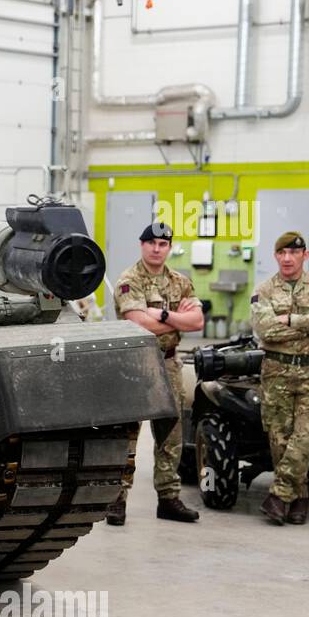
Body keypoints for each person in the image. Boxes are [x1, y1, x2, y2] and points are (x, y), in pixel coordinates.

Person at [107, 221, 204, 525]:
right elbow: (137, 323)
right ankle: (117, 500)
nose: (156, 248)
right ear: (142, 245)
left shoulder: (180, 282)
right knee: (128, 434)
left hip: (170, 364)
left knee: (170, 433)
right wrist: (178, 319)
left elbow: (198, 321)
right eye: (151, 243)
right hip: (136, 363)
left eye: (163, 244)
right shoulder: (129, 280)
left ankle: (169, 498)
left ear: (169, 247)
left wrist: (161, 315)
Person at [249, 231, 309, 525]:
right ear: (276, 256)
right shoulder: (263, 290)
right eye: (282, 253)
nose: (287, 258)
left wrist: (290, 319)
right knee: (280, 439)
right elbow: (265, 331)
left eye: (293, 253)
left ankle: (278, 495)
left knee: (305, 435)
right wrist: (307, 327)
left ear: (304, 255)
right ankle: (299, 499)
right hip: (276, 372)